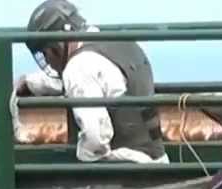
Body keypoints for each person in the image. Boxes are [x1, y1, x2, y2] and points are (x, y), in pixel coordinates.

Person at [15, 0, 169, 165]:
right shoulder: (120, 44)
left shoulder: (78, 67)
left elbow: (95, 140)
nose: (48, 62)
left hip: (126, 172)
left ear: (56, 47)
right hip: (157, 161)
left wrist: (80, 160)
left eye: (46, 54)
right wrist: (30, 82)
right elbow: (92, 81)